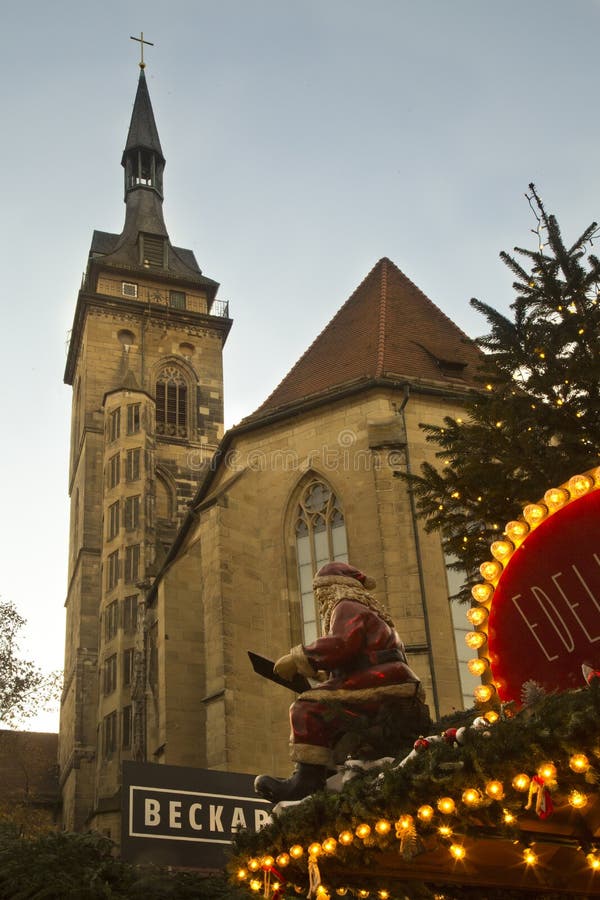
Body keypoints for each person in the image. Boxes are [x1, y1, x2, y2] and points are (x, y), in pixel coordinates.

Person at [254, 561, 423, 803]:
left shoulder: (346, 605)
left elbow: (342, 644)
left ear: (335, 587)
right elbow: (358, 654)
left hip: (385, 677)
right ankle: (329, 773)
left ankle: (306, 781)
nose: (321, 599)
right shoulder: (370, 612)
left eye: (322, 592)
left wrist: (298, 658)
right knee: (333, 710)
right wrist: (324, 676)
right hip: (390, 675)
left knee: (307, 708)